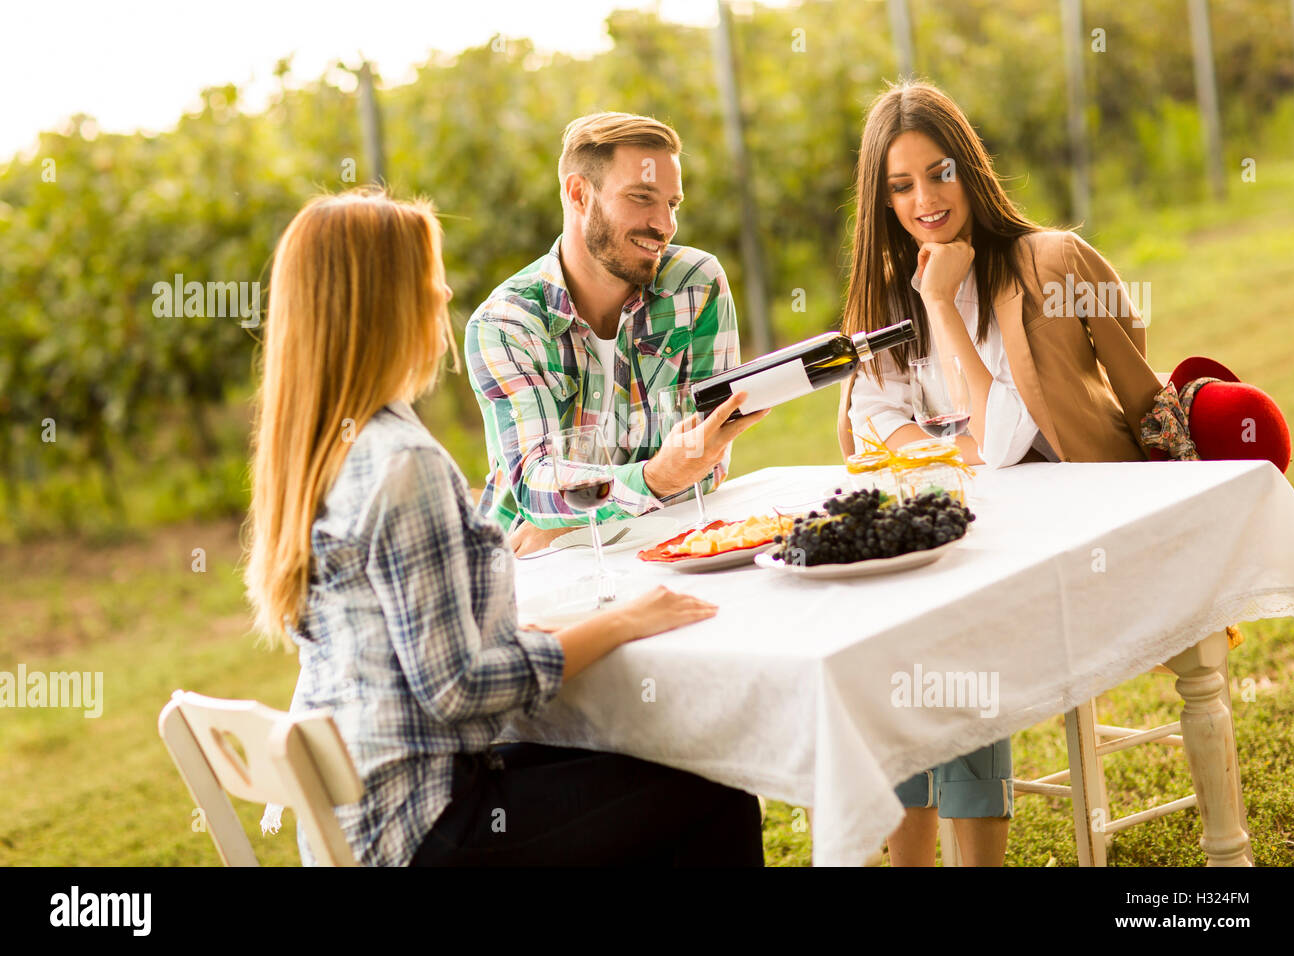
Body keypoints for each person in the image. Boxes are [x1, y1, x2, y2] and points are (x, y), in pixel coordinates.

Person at [243, 189, 764, 867]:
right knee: (715, 789)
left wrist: (524, 638)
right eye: (426, 278)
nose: (443, 291)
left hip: (356, 820)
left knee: (600, 763)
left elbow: (413, 650)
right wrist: (621, 623)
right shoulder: (404, 465)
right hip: (425, 825)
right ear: (383, 305)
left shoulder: (320, 451)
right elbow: (458, 690)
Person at [837, 81, 1168, 865]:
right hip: (963, 536)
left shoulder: (1038, 269)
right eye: (901, 185)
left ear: (971, 170)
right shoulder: (889, 294)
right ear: (881, 201)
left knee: (947, 636)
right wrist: (936, 441)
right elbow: (870, 421)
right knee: (895, 634)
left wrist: (945, 307)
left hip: (1069, 547)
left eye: (940, 172)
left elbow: (1003, 438)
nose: (925, 199)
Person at [465, 111, 768, 556]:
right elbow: (535, 486)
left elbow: (707, 463)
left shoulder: (696, 285)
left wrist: (573, 524)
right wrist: (656, 479)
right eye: (641, 197)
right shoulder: (507, 324)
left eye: (672, 204)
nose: (664, 225)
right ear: (579, 194)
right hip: (529, 562)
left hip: (646, 542)